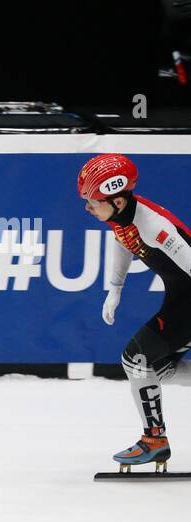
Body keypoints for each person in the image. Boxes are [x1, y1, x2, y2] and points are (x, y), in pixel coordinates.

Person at [80, 154, 191, 469]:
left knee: (136, 359)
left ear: (116, 200)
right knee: (158, 370)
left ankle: (154, 440)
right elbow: (123, 241)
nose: (87, 207)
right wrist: (115, 289)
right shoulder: (123, 215)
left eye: (92, 201)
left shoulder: (154, 227)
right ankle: (155, 439)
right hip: (181, 296)